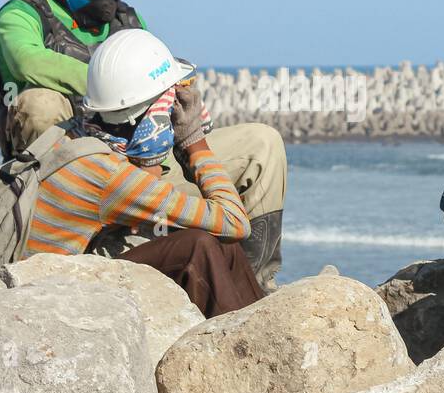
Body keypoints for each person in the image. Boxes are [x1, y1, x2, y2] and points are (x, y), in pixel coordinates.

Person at [0, 0, 286, 288]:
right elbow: (26, 62)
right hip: (80, 186)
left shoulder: (129, 19)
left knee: (262, 145)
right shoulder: (19, 17)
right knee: (39, 102)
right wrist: (123, 81)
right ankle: (70, 258)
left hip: (145, 171)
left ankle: (255, 283)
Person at [22, 27, 264, 318]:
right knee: (195, 247)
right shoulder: (110, 175)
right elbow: (235, 222)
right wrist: (194, 141)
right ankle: (242, 348)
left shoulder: (79, 137)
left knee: (224, 246)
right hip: (56, 300)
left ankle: (258, 324)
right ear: (151, 114)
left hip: (62, 274)